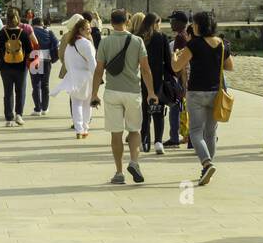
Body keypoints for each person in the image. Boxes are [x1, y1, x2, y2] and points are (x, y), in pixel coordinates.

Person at [90, 9, 158, 184]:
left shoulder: (105, 43)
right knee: (134, 130)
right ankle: (134, 162)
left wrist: (94, 93)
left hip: (112, 91)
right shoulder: (137, 41)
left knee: (116, 133)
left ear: (111, 23)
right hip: (132, 91)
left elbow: (99, 70)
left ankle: (119, 172)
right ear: (127, 22)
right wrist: (151, 92)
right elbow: (145, 69)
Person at [170, 11, 234, 186]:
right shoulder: (222, 44)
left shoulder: (195, 44)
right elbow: (229, 66)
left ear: (199, 25)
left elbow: (177, 65)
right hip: (215, 92)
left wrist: (174, 55)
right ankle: (208, 170)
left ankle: (206, 163)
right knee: (211, 132)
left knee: (196, 131)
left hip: (197, 91)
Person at [52, 15, 97, 137]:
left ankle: (78, 129)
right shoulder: (86, 44)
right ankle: (85, 128)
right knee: (87, 103)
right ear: (80, 30)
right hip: (86, 76)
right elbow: (93, 62)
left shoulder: (70, 44)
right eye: (87, 29)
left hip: (73, 76)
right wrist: (98, 77)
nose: (90, 30)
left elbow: (65, 60)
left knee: (76, 103)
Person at [137, 12, 174, 154]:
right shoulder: (161, 37)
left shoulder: (138, 37)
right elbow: (168, 60)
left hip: (140, 77)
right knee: (158, 110)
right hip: (157, 78)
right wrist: (171, 74)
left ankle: (144, 140)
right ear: (155, 23)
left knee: (145, 111)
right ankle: (158, 141)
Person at [0, 9, 37, 126]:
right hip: (21, 67)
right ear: (18, 18)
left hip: (5, 67)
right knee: (20, 91)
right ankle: (19, 115)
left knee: (8, 92)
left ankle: (9, 119)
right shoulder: (23, 33)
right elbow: (30, 50)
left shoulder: (2, 32)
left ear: (7, 18)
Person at [165, 10, 191, 148]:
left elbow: (181, 61)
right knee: (183, 109)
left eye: (173, 21)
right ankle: (185, 137)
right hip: (185, 79)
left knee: (175, 108)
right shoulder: (186, 35)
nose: (171, 24)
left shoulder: (180, 38)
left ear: (180, 22)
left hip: (182, 79)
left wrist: (181, 83)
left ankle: (175, 137)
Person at [30, 17, 59, 115]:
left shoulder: (31, 31)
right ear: (42, 23)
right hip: (46, 59)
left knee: (35, 84)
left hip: (34, 58)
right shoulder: (49, 32)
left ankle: (37, 109)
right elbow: (56, 43)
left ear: (33, 24)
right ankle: (45, 108)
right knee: (45, 85)